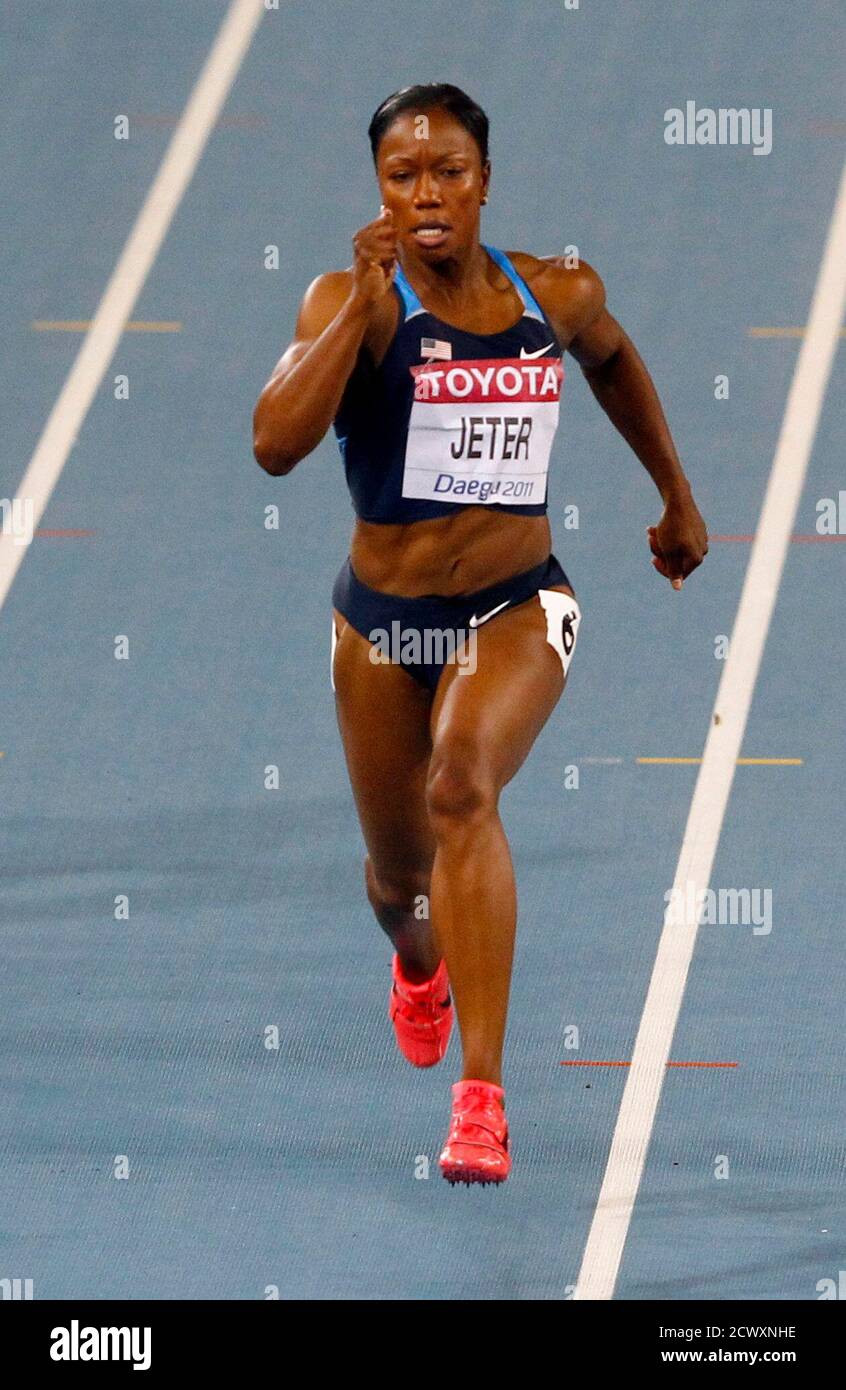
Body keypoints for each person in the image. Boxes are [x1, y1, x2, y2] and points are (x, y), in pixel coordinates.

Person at [252, 83, 708, 1186]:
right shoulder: (346, 300)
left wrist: (677, 497)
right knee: (399, 881)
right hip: (381, 627)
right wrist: (359, 315)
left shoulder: (552, 288)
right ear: (379, 191)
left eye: (448, 171)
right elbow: (274, 445)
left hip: (517, 606)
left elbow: (608, 356)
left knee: (462, 787)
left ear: (484, 180)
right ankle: (418, 963)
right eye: (402, 177)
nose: (427, 195)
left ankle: (482, 1096)